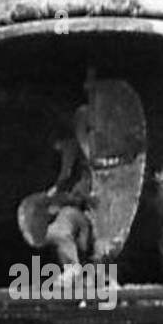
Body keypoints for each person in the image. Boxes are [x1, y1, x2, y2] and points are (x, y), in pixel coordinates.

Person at [43, 106, 98, 269]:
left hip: (81, 199)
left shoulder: (70, 148)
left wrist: (56, 190)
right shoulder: (73, 214)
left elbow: (66, 173)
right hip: (79, 209)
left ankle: (74, 270)